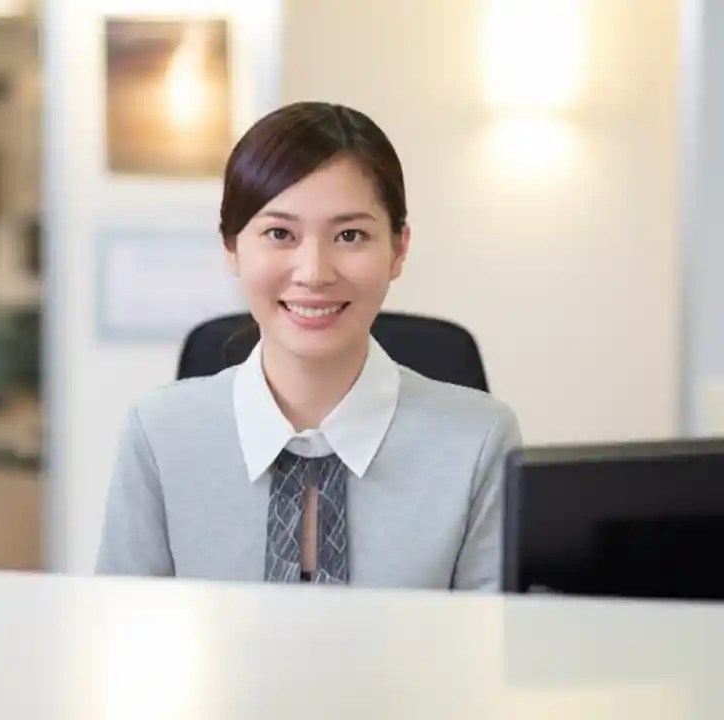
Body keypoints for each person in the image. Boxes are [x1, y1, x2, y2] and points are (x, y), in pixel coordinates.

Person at [95, 101, 521, 589]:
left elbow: (497, 653)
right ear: (231, 248)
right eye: (280, 233)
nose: (315, 272)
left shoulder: (479, 442)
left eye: (350, 234)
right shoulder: (158, 435)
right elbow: (126, 643)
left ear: (399, 250)